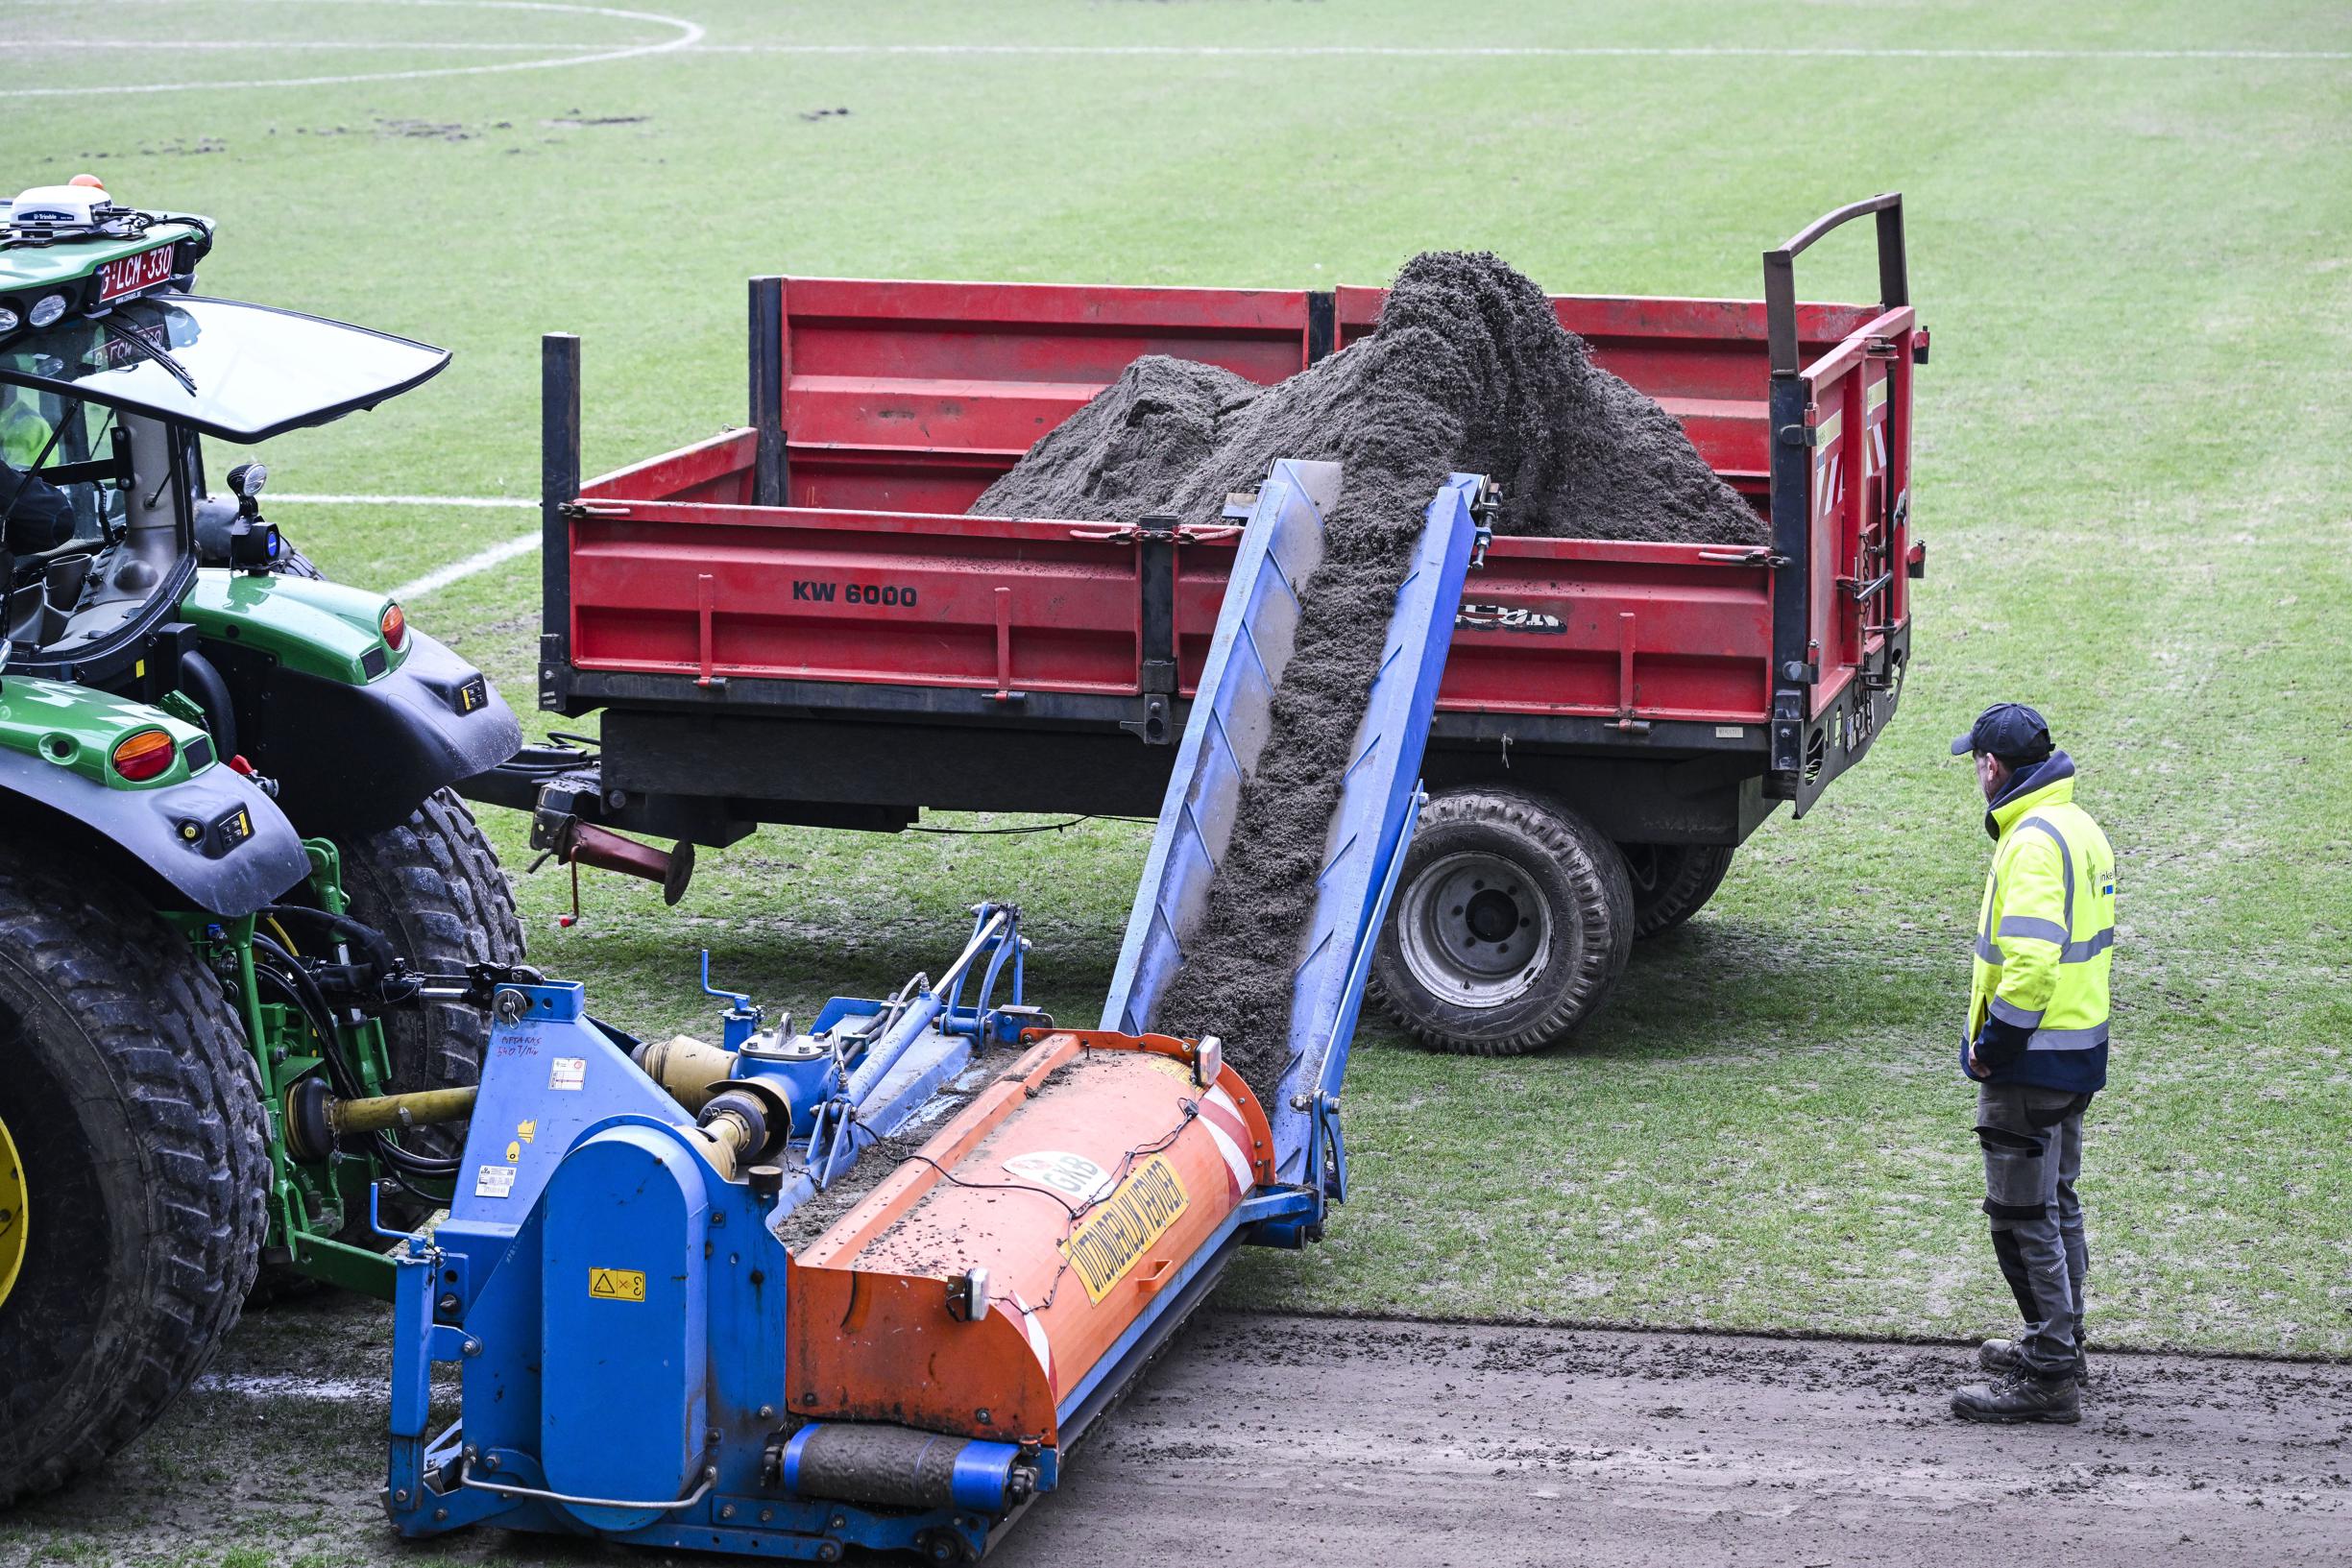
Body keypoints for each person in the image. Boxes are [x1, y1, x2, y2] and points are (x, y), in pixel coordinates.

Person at [1947, 702, 2115, 1425]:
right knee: (2059, 1202)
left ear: (1993, 766)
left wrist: (1992, 1048)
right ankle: (2059, 1340)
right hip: (2076, 1052)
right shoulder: (2077, 824)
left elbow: (2032, 965)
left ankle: (2049, 1376)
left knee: (2019, 1214)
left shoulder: (2031, 843)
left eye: (1977, 763)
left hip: (2029, 1063)